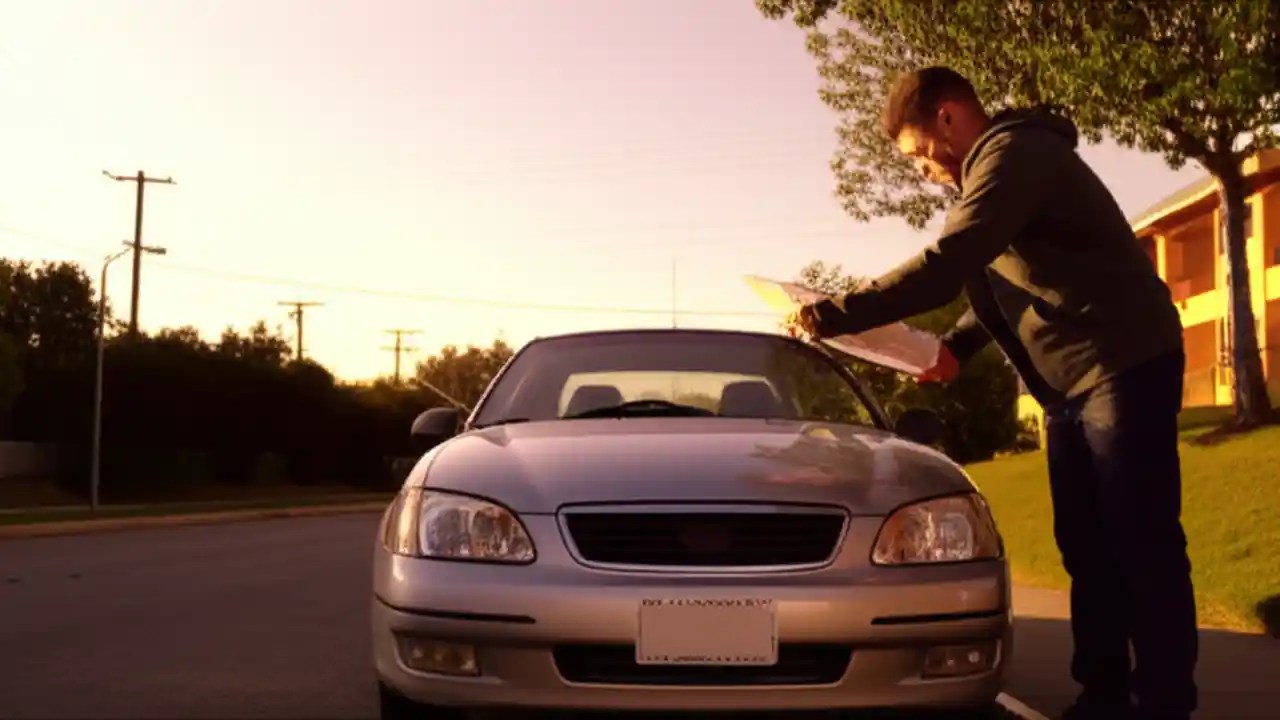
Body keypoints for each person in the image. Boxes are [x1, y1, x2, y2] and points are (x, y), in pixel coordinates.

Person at [789, 66, 1197, 720]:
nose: (923, 170)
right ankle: (1104, 695)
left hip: (1122, 359)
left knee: (1140, 537)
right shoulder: (992, 179)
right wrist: (952, 349)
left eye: (920, 153)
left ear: (949, 118)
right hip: (1068, 385)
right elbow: (998, 290)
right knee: (1086, 546)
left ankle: (1165, 701)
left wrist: (831, 312)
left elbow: (947, 265)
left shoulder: (1014, 154)